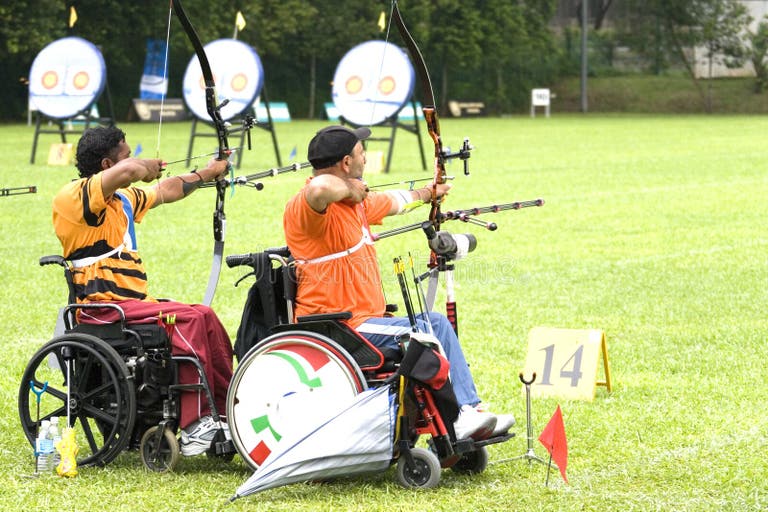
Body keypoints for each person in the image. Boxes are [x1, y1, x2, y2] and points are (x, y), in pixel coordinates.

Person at [283, 125, 514, 440]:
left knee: (428, 324)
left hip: (365, 321)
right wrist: (351, 190)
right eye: (361, 153)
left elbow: (394, 201)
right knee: (432, 325)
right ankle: (462, 415)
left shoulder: (357, 204)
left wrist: (428, 193)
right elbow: (319, 189)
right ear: (346, 163)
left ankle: (461, 416)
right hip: (340, 327)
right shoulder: (307, 208)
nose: (365, 157)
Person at [52, 126, 233, 456]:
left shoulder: (122, 199)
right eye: (125, 153)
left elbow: (169, 189)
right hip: (103, 308)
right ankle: (195, 424)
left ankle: (224, 411)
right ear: (108, 165)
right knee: (188, 319)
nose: (131, 158)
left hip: (134, 305)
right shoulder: (75, 197)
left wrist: (209, 171)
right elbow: (134, 170)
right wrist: (142, 166)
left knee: (205, 315)